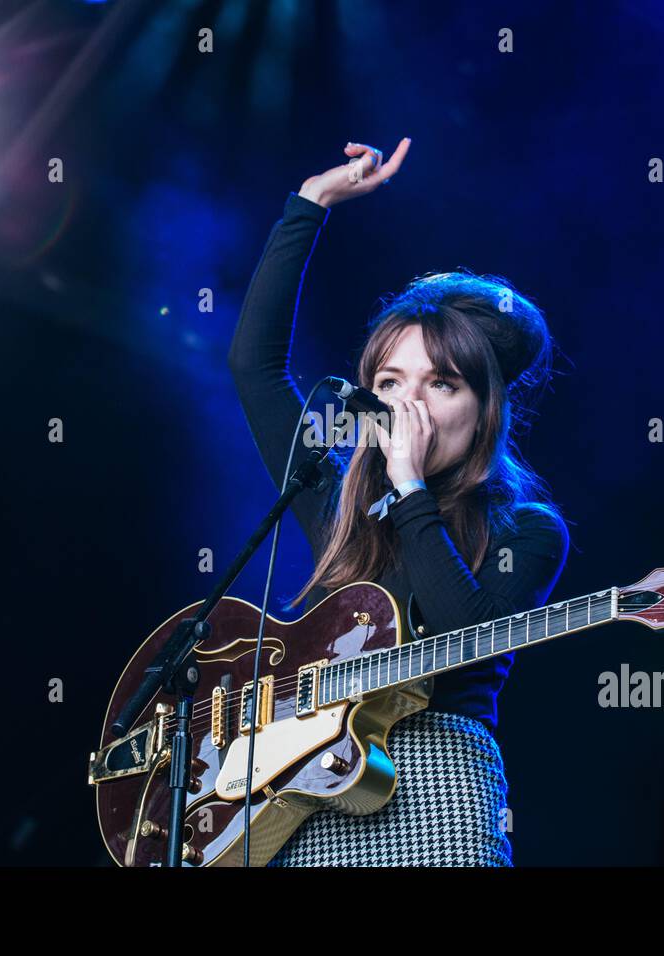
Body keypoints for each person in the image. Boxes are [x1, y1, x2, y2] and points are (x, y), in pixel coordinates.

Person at [227, 138, 570, 866]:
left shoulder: (527, 528)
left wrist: (412, 486)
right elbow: (254, 367)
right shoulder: (341, 508)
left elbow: (463, 635)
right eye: (390, 382)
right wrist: (312, 202)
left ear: (483, 410)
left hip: (437, 789)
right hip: (319, 793)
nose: (407, 403)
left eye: (440, 384)